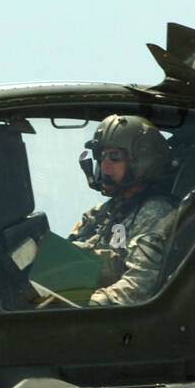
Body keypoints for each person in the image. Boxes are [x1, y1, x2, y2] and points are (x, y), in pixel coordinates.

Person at [68, 114, 176, 306]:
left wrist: (86, 304)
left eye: (115, 157)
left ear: (141, 161)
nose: (104, 165)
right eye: (102, 156)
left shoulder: (155, 213)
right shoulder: (100, 214)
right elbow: (63, 266)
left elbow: (139, 286)